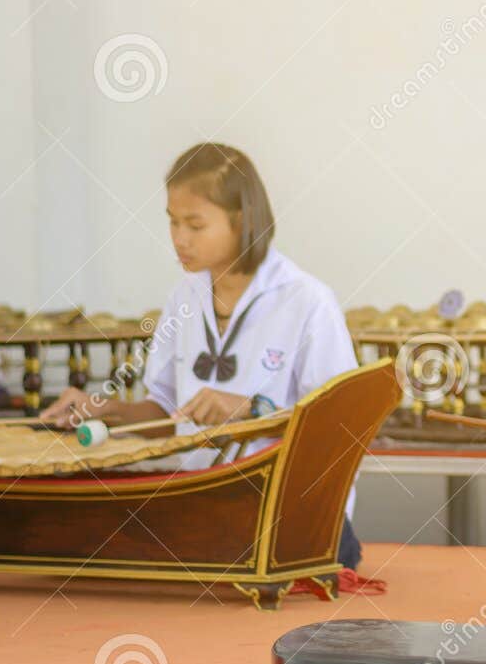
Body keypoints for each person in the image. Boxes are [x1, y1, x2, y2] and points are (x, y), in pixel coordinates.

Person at [40, 143, 363, 569]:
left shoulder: (306, 301)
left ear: (243, 221)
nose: (179, 239)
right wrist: (102, 410)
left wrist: (253, 410)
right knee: (79, 541)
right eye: (173, 222)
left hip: (293, 509)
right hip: (201, 499)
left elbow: (345, 426)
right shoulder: (184, 298)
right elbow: (165, 414)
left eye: (195, 224)